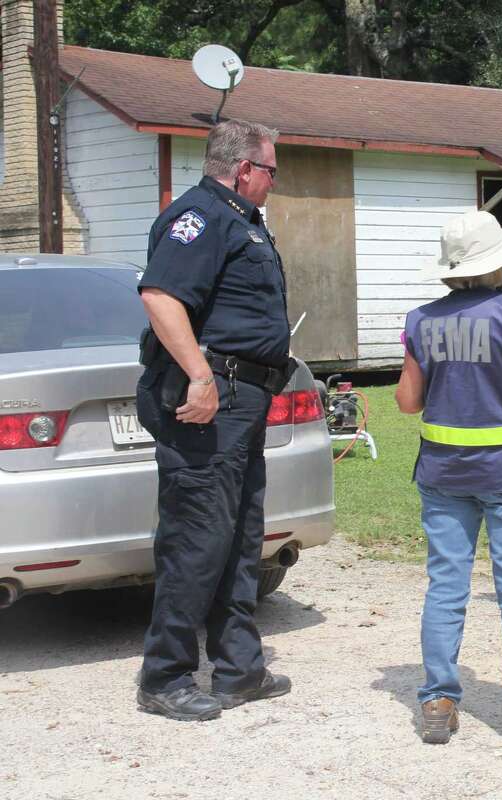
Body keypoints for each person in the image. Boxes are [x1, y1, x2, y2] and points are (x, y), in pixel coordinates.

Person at [134, 119, 293, 721]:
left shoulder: (240, 222)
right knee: (196, 537)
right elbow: (161, 296)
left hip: (243, 399)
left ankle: (238, 667)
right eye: (271, 170)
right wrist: (200, 376)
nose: (274, 181)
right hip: (212, 402)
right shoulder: (197, 217)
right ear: (244, 169)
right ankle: (165, 675)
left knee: (240, 534)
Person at [395, 209, 502, 746]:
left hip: (442, 471)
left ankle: (439, 701)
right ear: (500, 262)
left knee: (446, 585)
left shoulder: (421, 320)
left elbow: (407, 401)